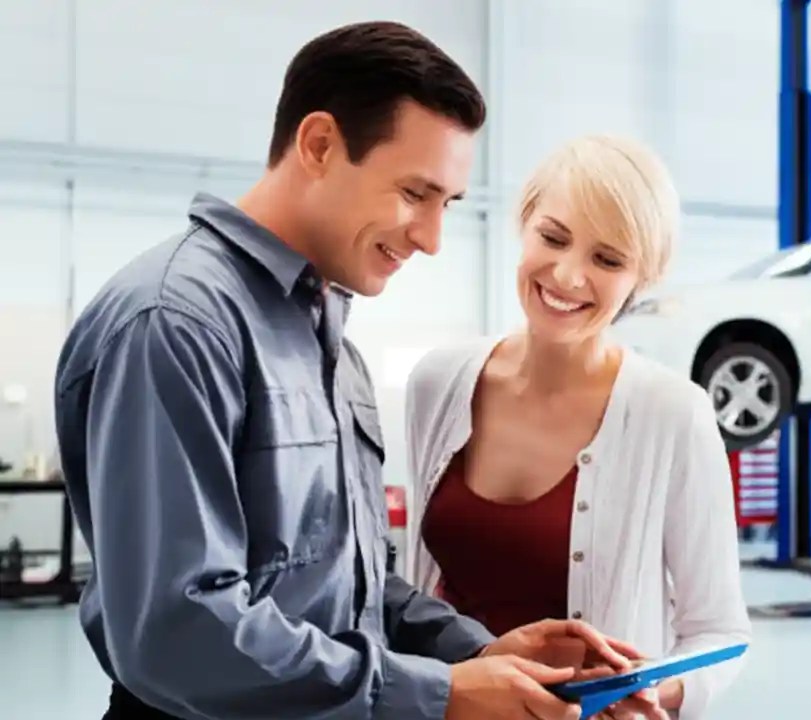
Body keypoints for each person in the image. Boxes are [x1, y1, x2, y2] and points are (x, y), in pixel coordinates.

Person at [53, 21, 645, 720]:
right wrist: (441, 695)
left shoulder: (330, 337)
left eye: (447, 205)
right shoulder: (176, 324)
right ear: (320, 146)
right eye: (414, 194)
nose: (430, 238)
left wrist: (476, 654)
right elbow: (179, 634)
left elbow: (344, 586)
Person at [403, 135, 753, 720]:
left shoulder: (673, 413)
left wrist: (647, 693)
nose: (567, 275)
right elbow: (409, 588)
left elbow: (719, 632)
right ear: (525, 225)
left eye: (608, 259)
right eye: (553, 237)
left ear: (641, 276)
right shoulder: (438, 382)